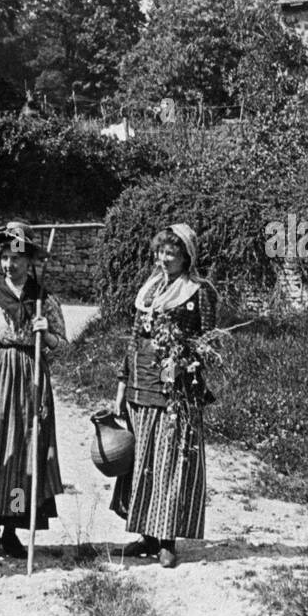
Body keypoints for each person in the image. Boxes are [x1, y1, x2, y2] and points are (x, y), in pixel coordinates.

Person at [111, 223, 219, 569]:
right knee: (143, 461)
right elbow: (132, 340)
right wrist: (121, 384)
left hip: (176, 392)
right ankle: (146, 533)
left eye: (172, 252)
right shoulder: (150, 289)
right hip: (142, 387)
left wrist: (185, 361)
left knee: (170, 463)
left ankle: (168, 539)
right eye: (161, 251)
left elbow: (208, 341)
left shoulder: (198, 291)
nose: (165, 258)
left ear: (187, 256)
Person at [0, 222, 66, 559]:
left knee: (23, 455)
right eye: (4, 257)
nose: (10, 265)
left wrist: (45, 333)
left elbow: (62, 347)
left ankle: (11, 529)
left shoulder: (43, 299)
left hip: (31, 380)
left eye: (16, 258)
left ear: (30, 260)